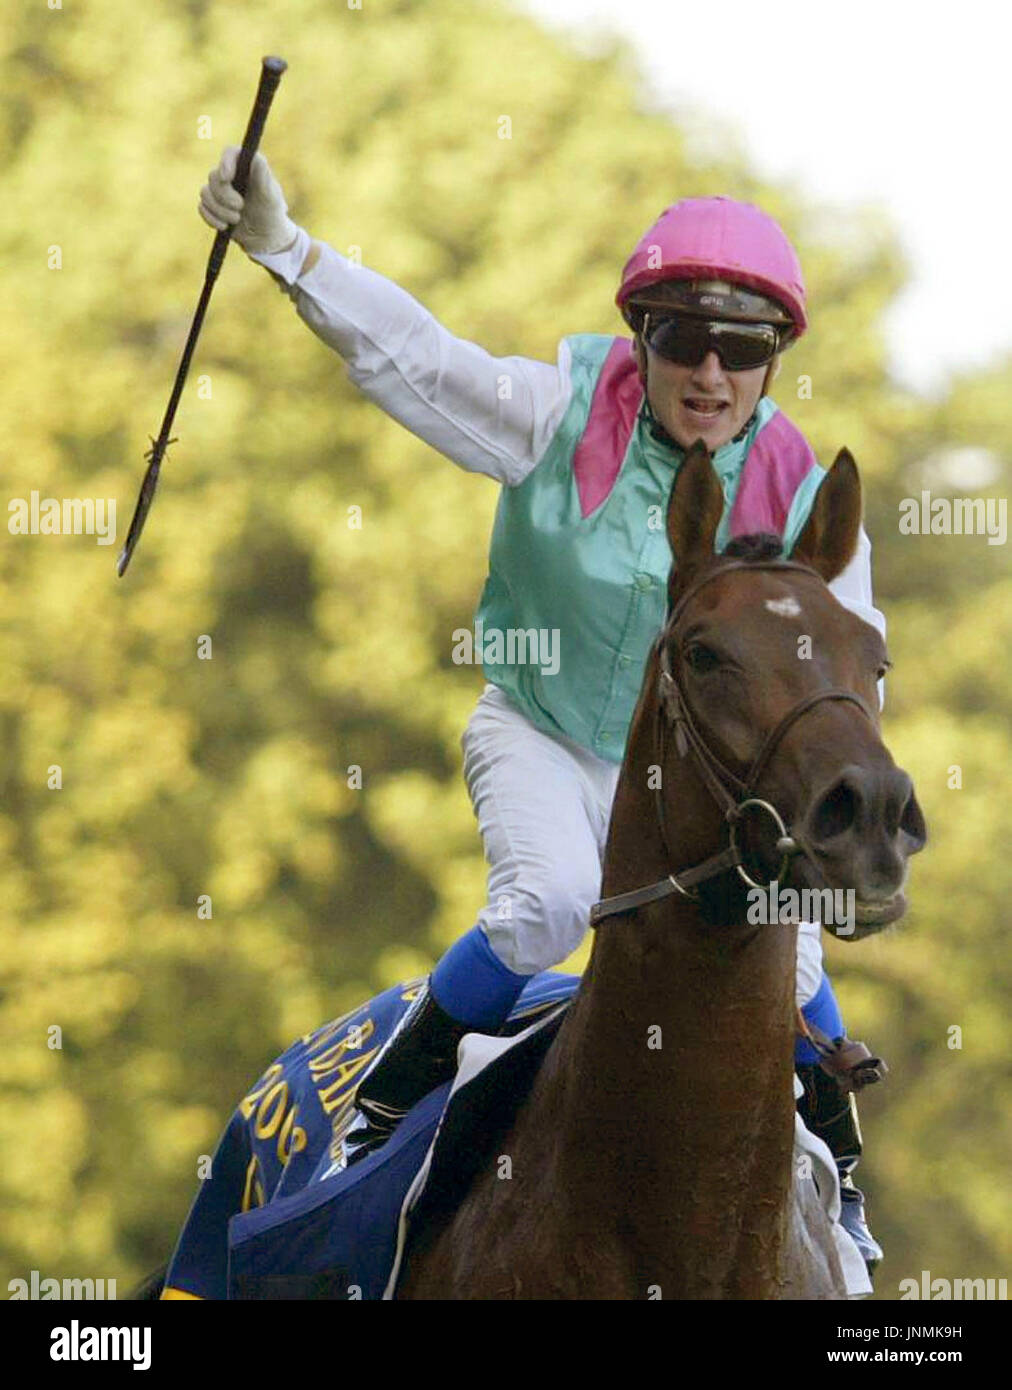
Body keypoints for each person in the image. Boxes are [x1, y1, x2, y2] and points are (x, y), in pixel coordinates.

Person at [200, 150, 888, 1268]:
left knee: (797, 973)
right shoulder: (557, 407)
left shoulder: (811, 496)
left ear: (775, 363)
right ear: (641, 336)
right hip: (545, 737)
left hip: (704, 785)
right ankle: (379, 1116)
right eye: (680, 339)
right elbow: (415, 358)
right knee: (552, 900)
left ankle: (843, 1198)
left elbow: (853, 671)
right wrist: (286, 247)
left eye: (744, 349)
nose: (709, 373)